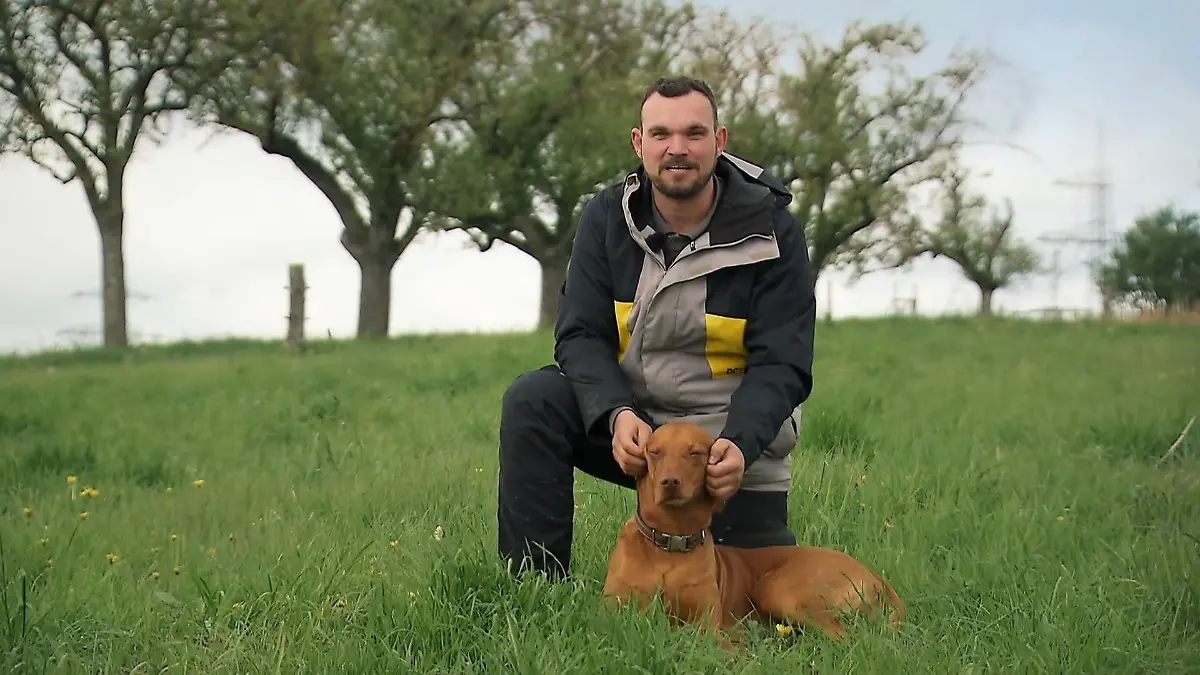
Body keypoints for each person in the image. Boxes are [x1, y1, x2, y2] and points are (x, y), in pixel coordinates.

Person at [496, 75, 817, 580]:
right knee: (535, 399)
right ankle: (536, 585)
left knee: (753, 592)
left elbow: (784, 363)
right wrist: (616, 413)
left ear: (720, 140)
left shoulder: (773, 232)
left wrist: (740, 443)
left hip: (726, 449)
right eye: (661, 134)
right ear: (639, 142)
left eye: (694, 133)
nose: (677, 148)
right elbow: (580, 335)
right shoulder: (606, 219)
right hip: (642, 433)